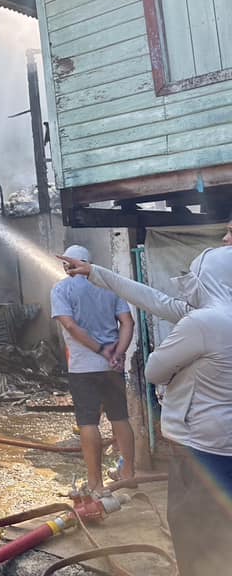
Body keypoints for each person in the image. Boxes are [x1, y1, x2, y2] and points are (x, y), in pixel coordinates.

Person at [59, 241, 232, 576]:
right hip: (224, 442)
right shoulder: (218, 314)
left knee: (195, 530)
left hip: (200, 445)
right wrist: (97, 273)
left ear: (211, 278)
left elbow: (154, 370)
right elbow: (156, 301)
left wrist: (180, 370)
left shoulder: (205, 322)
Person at [50, 244, 135, 493]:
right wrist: (118, 353)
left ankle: (96, 484)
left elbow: (71, 327)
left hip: (83, 367)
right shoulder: (109, 285)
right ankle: (128, 472)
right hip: (112, 367)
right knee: (120, 417)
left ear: (69, 264)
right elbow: (127, 323)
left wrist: (100, 350)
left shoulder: (61, 289)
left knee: (88, 422)